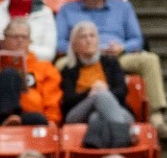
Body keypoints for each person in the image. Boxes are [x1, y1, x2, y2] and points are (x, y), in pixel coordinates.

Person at [58, 0, 167, 140]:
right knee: (60, 64)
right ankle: (55, 118)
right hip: (80, 56)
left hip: (117, 56)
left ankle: (156, 119)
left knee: (150, 59)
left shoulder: (123, 7)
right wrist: (85, 48)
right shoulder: (67, 9)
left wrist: (123, 48)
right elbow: (59, 43)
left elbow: (137, 39)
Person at [0, 19, 61, 128]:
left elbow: (52, 100)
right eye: (15, 36)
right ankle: (8, 117)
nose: (20, 40)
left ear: (30, 41)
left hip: (24, 116)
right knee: (9, 73)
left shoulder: (45, 68)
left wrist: (52, 121)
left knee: (40, 119)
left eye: (24, 37)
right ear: (5, 40)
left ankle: (12, 121)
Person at [58, 21, 136, 149]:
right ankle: (126, 135)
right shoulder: (68, 70)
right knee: (101, 96)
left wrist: (106, 91)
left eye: (92, 36)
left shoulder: (111, 63)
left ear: (98, 40)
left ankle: (104, 151)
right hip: (77, 114)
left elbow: (122, 91)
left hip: (112, 110)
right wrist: (90, 93)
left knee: (96, 118)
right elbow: (68, 100)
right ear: (75, 44)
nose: (88, 40)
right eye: (83, 37)